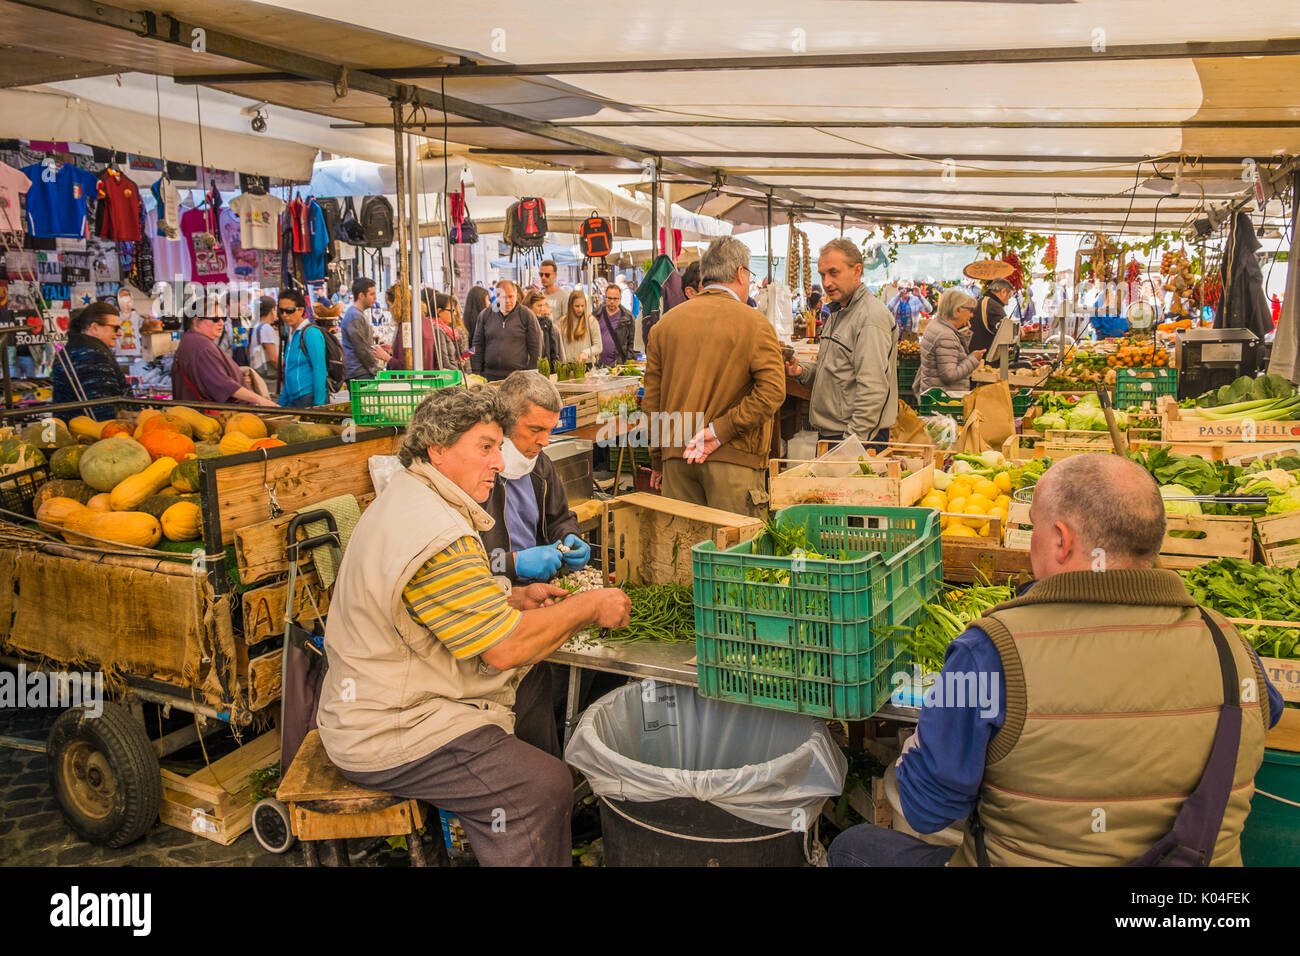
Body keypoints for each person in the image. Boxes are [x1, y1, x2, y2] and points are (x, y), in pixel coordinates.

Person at [829, 454, 1283, 868]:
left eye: (1034, 529)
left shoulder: (990, 651)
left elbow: (929, 810)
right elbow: (1268, 712)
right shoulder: (1229, 644)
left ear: (1061, 541)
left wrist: (920, 748)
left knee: (856, 847)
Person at [315, 386, 630, 867]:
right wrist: (590, 605)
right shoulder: (437, 532)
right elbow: (502, 650)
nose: (499, 462)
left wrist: (511, 596)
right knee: (539, 789)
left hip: (396, 701)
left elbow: (438, 603)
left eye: (498, 446)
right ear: (438, 450)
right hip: (390, 726)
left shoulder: (416, 496)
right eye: (485, 446)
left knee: (532, 692)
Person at [643, 236, 785, 517]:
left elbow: (651, 402)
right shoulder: (755, 324)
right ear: (740, 273)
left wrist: (658, 459)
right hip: (734, 462)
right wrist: (720, 432)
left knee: (681, 555)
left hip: (677, 459)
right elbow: (772, 392)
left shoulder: (664, 326)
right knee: (733, 556)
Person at [784, 239, 898, 445]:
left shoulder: (870, 317)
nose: (826, 282)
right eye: (822, 275)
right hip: (836, 434)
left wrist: (851, 445)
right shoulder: (838, 312)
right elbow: (832, 370)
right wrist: (801, 371)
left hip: (855, 438)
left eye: (834, 273)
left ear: (857, 271)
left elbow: (873, 390)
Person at [172, 311, 277, 407]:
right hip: (217, 416)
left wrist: (236, 375)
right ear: (196, 321)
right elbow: (223, 385)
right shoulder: (202, 347)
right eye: (215, 319)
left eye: (223, 318)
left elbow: (210, 375)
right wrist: (260, 400)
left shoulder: (193, 340)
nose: (221, 323)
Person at [52, 302, 131, 417]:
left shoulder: (67, 351)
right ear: (94, 328)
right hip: (95, 432)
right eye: (115, 328)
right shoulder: (93, 357)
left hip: (70, 429)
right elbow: (102, 410)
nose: (119, 333)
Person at [912, 289, 984, 396]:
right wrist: (973, 359)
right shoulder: (946, 335)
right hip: (944, 398)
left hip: (934, 393)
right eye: (970, 310)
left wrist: (963, 335)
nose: (972, 315)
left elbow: (953, 355)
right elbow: (949, 375)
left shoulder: (936, 325)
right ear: (957, 310)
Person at [470, 279, 541, 381]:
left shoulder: (526, 315)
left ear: (516, 295)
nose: (507, 301)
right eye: (503, 297)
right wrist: (476, 373)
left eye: (510, 296)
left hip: (518, 377)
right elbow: (477, 345)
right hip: (489, 376)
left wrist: (533, 373)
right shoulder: (485, 315)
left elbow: (535, 347)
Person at [277, 289, 328, 408]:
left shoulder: (311, 333)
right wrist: (281, 404)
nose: (284, 315)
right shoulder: (292, 334)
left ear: (301, 310)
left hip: (308, 398)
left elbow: (319, 369)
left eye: (289, 311)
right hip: (293, 399)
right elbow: (289, 371)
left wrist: (319, 406)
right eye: (281, 311)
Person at [341, 277, 389, 383]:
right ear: (361, 296)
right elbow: (362, 349)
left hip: (360, 372)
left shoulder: (357, 314)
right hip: (359, 374)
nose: (375, 298)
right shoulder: (354, 316)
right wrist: (378, 369)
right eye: (372, 294)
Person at [968, 277, 1014, 357]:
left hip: (976, 354)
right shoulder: (993, 306)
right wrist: (1019, 333)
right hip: (986, 356)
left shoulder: (984, 301)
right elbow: (1005, 333)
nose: (1007, 303)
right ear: (1003, 291)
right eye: (1008, 297)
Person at [246, 295, 282, 396]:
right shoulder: (266, 328)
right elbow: (273, 358)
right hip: (269, 378)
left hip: (260, 375)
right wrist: (285, 370)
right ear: (272, 310)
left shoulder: (256, 326)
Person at [594, 282, 636, 367]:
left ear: (620, 298)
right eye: (609, 298)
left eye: (615, 299)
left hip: (619, 366)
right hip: (598, 365)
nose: (612, 301)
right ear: (605, 297)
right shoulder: (596, 315)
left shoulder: (628, 317)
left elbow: (633, 342)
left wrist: (627, 363)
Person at [557, 289, 601, 364]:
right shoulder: (562, 321)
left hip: (586, 364)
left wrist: (586, 352)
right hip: (567, 364)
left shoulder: (591, 321)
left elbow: (598, 346)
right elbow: (560, 346)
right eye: (577, 306)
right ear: (570, 306)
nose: (580, 309)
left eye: (582, 306)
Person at [522, 289, 562, 369]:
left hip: (545, 367)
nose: (542, 309)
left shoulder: (547, 323)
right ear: (529, 306)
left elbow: (553, 349)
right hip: (527, 367)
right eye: (539, 306)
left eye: (543, 305)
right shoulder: (522, 322)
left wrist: (554, 367)